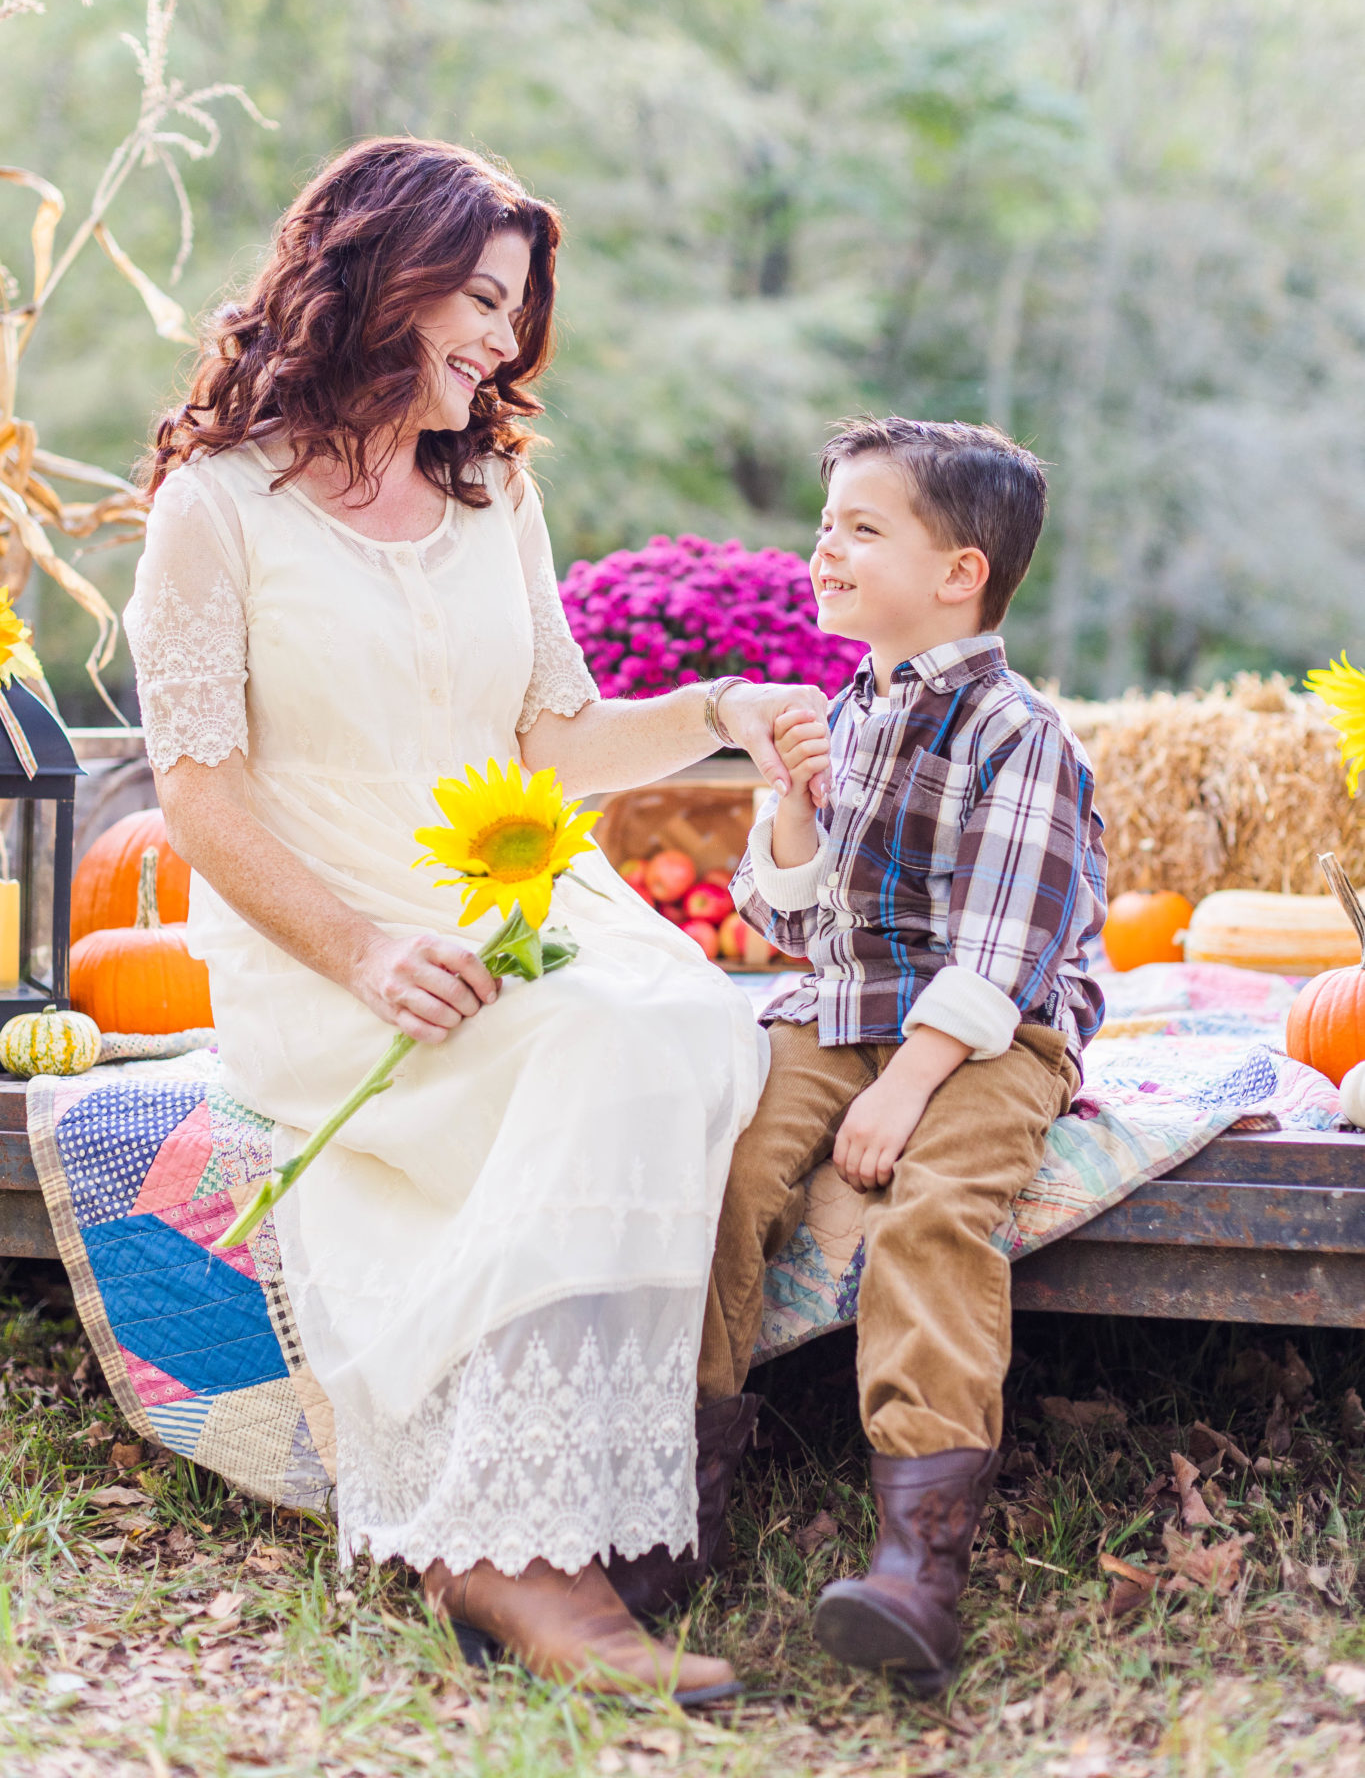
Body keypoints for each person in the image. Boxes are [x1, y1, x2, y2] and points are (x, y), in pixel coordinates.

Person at [124, 136, 828, 1703]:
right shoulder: (217, 508)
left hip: (506, 889)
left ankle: (579, 1487)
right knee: (594, 1039)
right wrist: (364, 951)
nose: (502, 348)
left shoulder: (489, 484)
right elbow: (200, 791)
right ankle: (506, 1550)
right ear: (379, 271)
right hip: (326, 926)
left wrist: (724, 703)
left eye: (517, 316)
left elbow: (553, 743)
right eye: (483, 304)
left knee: (681, 1021)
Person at [614, 418, 1107, 1689]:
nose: (823, 547)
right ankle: (675, 1509)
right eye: (825, 523)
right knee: (720, 1168)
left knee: (936, 1209)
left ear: (960, 571)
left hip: (991, 1027)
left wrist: (905, 1082)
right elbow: (780, 922)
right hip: (844, 1007)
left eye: (861, 527)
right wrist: (789, 803)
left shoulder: (1018, 732)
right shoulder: (842, 712)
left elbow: (1004, 950)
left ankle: (917, 1565)